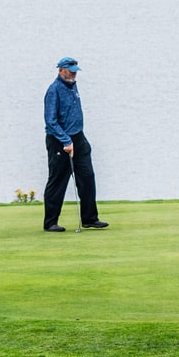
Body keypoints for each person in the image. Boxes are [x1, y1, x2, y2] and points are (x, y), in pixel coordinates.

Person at [43, 57, 104, 231]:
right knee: (58, 181)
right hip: (59, 141)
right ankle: (50, 222)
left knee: (87, 177)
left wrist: (78, 140)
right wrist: (65, 140)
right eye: (70, 70)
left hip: (78, 138)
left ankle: (89, 218)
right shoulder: (54, 90)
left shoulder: (72, 85)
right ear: (61, 70)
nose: (74, 73)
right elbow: (50, 121)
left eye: (75, 70)